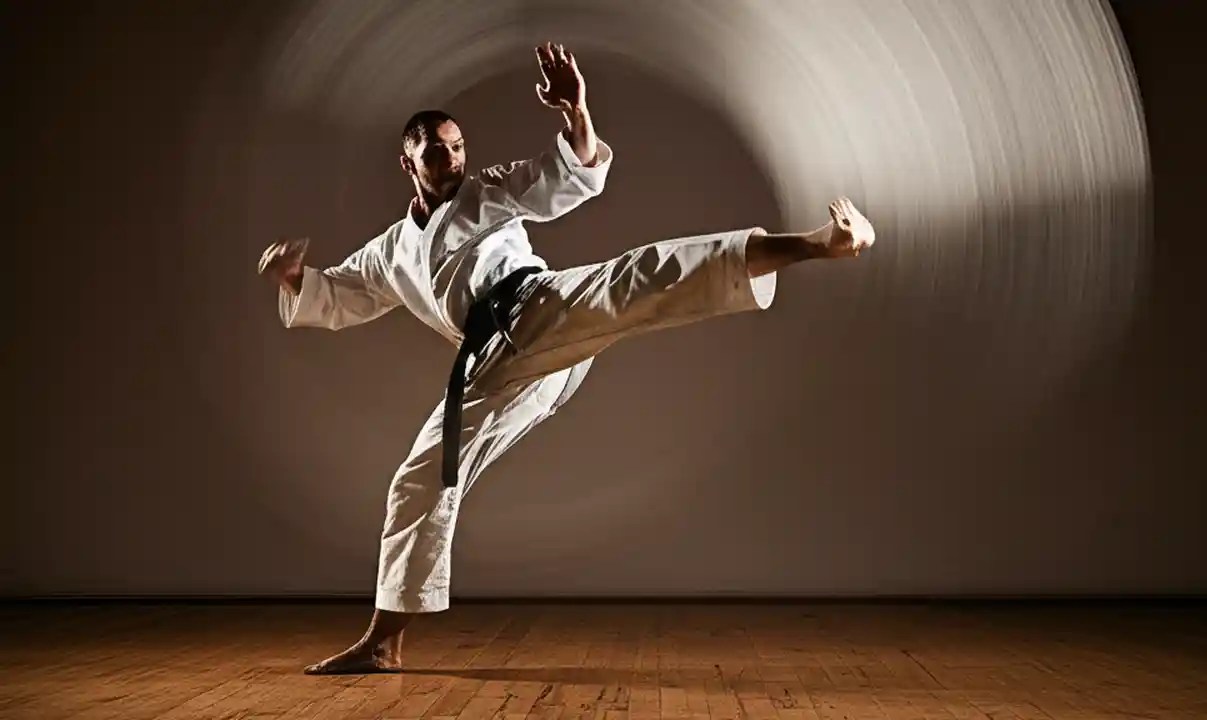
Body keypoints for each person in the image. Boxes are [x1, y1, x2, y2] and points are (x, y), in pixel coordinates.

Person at [258, 42, 876, 675]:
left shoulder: (487, 191)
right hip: (494, 365)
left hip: (536, 309)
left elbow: (564, 177)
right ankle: (383, 643)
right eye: (436, 148)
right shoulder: (391, 251)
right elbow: (336, 294)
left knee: (631, 280)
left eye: (457, 146)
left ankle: (815, 243)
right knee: (418, 480)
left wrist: (576, 112)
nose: (450, 157)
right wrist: (293, 277)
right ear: (407, 157)